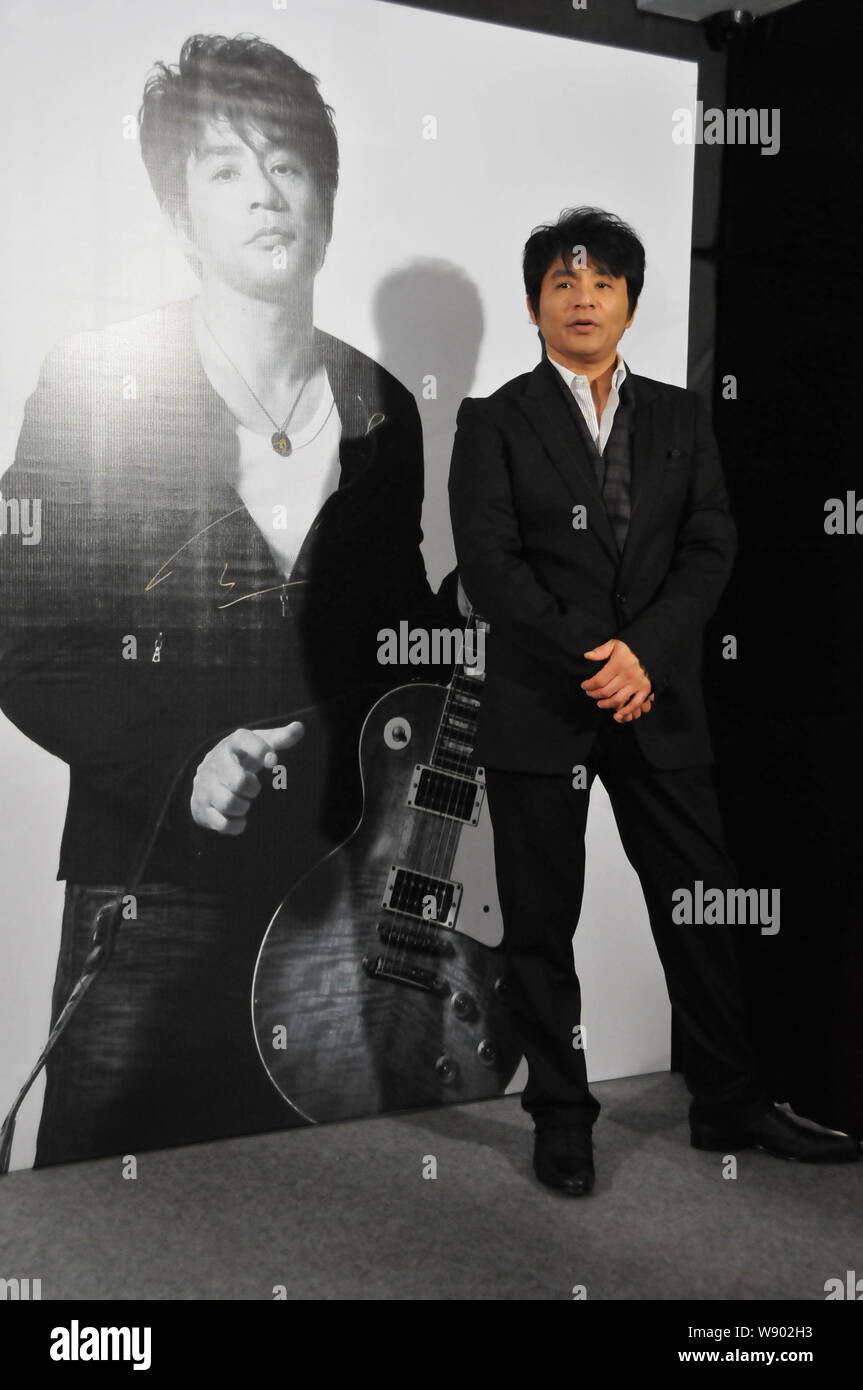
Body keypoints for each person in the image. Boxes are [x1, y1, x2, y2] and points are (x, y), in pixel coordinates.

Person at [0, 33, 458, 1166]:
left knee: (314, 1174)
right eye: (225, 167)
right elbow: (24, 636)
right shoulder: (95, 380)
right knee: (102, 1192)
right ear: (179, 211)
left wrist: (485, 617)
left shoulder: (383, 407)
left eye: (291, 162)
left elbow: (384, 634)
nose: (265, 190)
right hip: (149, 875)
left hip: (333, 876)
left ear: (328, 197)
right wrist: (183, 759)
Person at [448, 206, 860, 1194]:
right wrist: (598, 653)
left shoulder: (680, 416)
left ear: (628, 299)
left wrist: (643, 653)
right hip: (542, 704)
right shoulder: (492, 420)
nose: (582, 298)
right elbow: (491, 568)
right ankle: (560, 1113)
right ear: (534, 302)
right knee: (540, 923)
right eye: (562, 282)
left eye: (600, 283)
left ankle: (727, 1098)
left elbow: (710, 544)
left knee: (700, 904)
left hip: (658, 698)